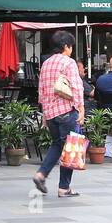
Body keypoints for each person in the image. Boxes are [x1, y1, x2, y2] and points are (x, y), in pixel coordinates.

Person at [34, 30, 83, 198]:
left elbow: (41, 92)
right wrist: (81, 109)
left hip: (51, 114)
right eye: (71, 46)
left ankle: (41, 174)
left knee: (57, 145)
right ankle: (63, 188)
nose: (71, 49)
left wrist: (45, 115)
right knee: (71, 148)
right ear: (65, 46)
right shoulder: (68, 63)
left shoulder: (46, 64)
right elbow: (77, 87)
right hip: (67, 111)